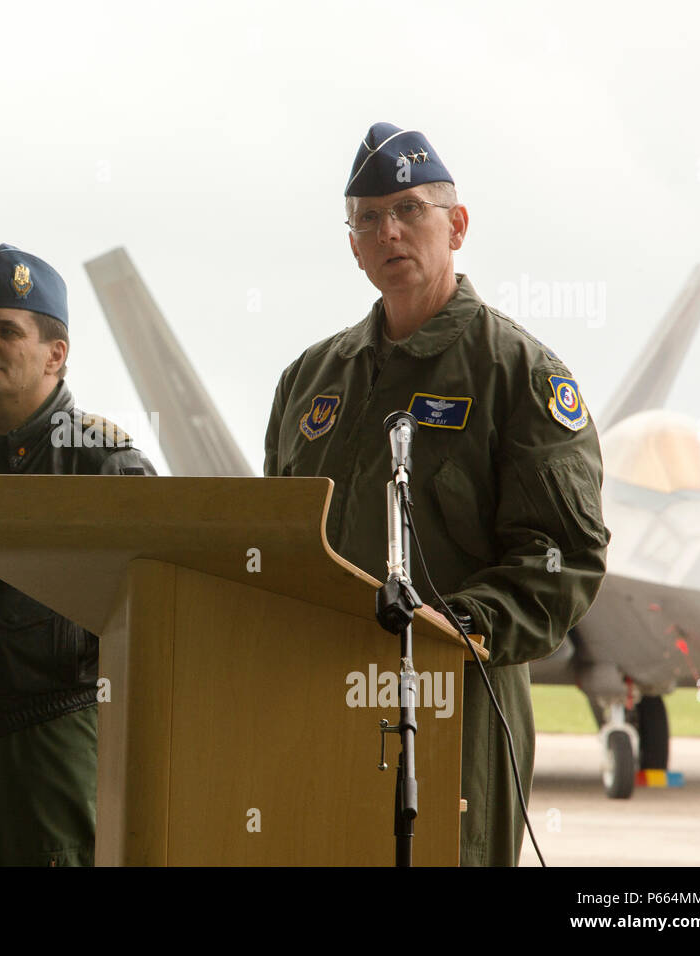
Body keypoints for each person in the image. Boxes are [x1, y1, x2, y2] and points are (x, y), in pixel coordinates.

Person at [263, 124, 610, 866]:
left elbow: (563, 558)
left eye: (410, 210)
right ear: (352, 244)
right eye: (367, 218)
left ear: (455, 225)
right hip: (318, 706)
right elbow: (276, 543)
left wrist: (461, 621)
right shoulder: (308, 382)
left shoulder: (517, 374)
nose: (389, 230)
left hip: (459, 709)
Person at [0, 243, 155, 866]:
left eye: (6, 331)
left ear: (56, 355)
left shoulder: (103, 463)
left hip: (46, 745)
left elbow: (148, 620)